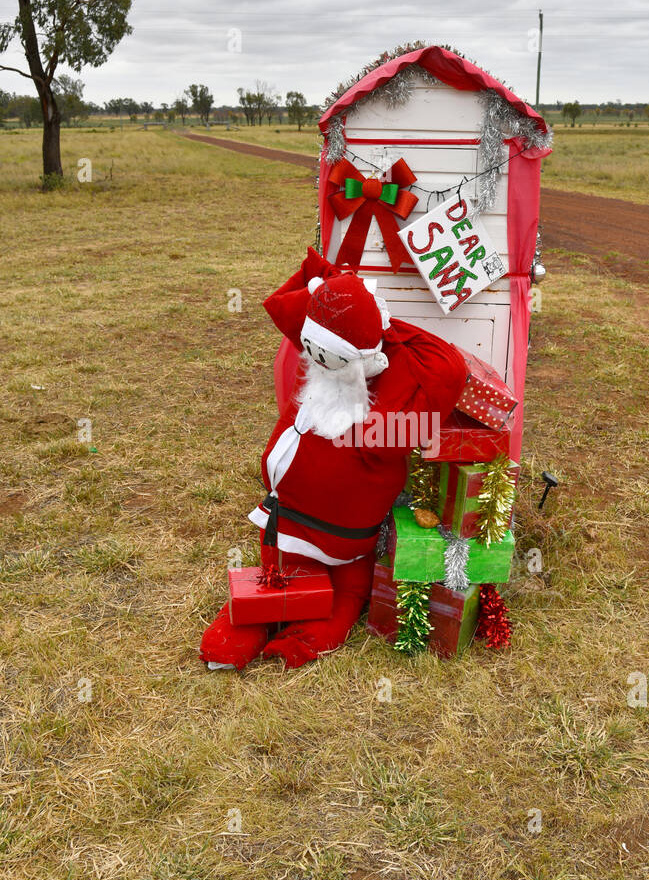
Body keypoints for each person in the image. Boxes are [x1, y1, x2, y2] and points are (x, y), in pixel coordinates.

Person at [199, 248, 466, 669]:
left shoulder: (390, 400)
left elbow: (450, 367)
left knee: (344, 593)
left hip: (348, 542)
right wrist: (341, 293)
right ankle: (250, 622)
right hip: (286, 522)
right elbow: (300, 284)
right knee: (279, 580)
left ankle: (316, 627)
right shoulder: (316, 342)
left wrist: (382, 325)